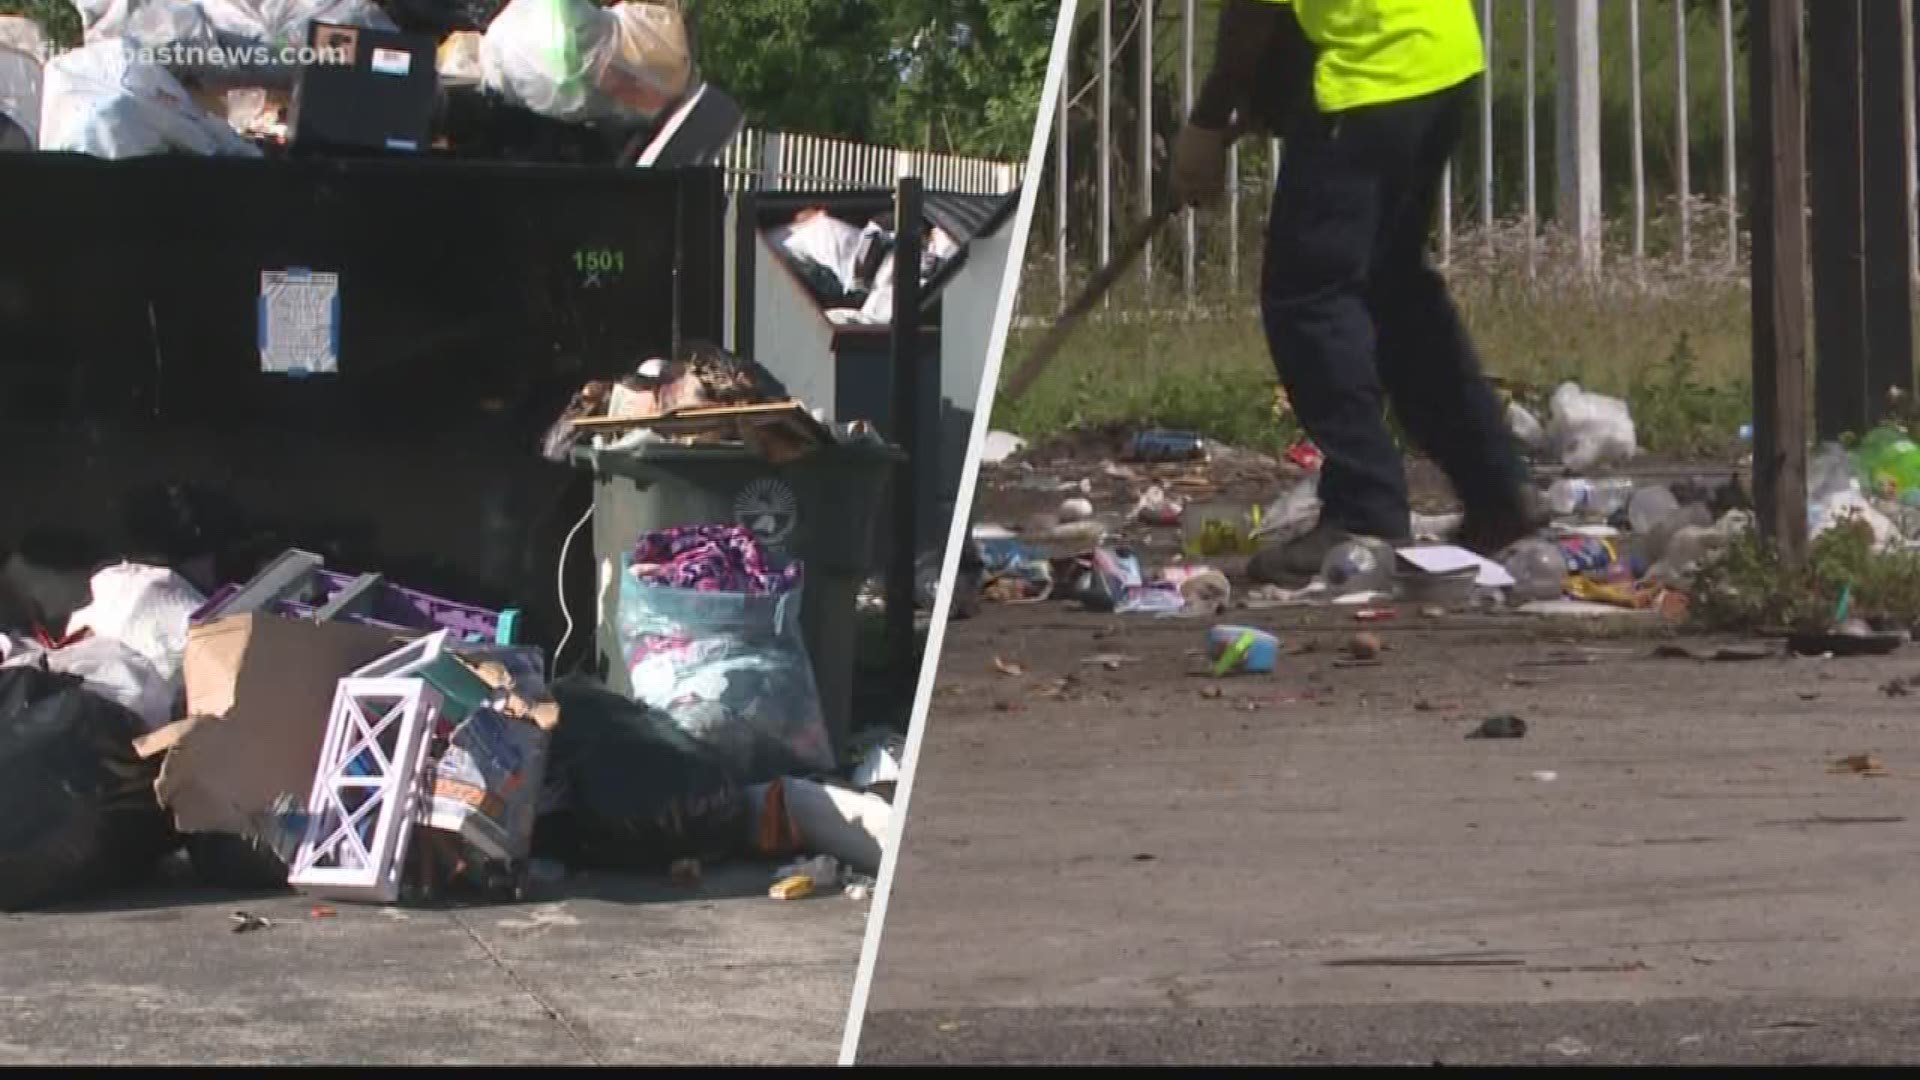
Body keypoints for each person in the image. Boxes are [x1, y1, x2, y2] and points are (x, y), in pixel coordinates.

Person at [1169, 0, 1538, 584]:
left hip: (1372, 72)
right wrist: (1277, 88)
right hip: (1443, 57)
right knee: (1396, 291)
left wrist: (1209, 120)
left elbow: (1251, 10)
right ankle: (1497, 493)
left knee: (1309, 297)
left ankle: (1364, 511)